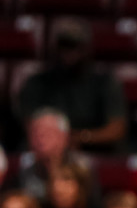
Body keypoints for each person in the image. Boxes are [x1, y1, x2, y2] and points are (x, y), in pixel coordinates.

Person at [16, 20, 127, 153]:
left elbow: (116, 129)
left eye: (74, 46)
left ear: (86, 49)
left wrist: (80, 137)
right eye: (64, 46)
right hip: (48, 149)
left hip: (93, 151)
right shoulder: (37, 83)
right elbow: (30, 125)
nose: (68, 53)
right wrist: (55, 139)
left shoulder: (104, 83)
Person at [17, 109, 92, 203]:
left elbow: (93, 205)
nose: (40, 137)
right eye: (35, 132)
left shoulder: (82, 166)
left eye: (47, 132)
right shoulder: (25, 167)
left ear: (64, 137)